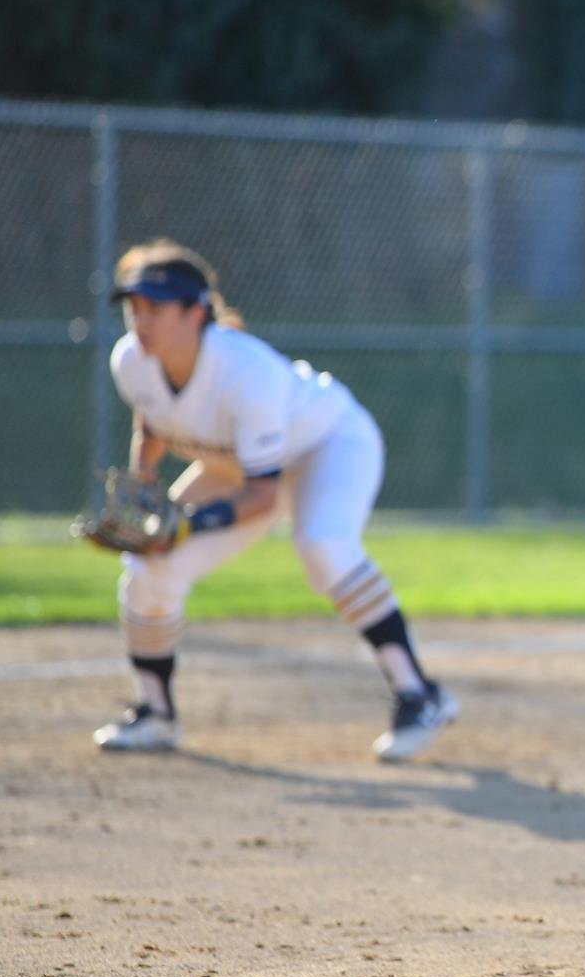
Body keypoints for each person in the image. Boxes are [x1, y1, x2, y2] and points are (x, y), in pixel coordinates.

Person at [91, 239, 457, 762]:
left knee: (323, 545)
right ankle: (156, 714)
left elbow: (263, 496)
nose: (140, 320)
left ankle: (421, 694)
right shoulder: (130, 361)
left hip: (326, 446)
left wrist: (190, 522)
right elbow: (152, 420)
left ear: (196, 313)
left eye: (154, 307)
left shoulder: (246, 374)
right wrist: (146, 486)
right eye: (133, 307)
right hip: (234, 465)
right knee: (148, 566)